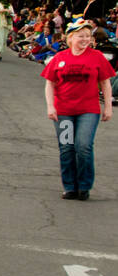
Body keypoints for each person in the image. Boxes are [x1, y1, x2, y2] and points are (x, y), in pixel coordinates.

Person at [44, 20, 114, 201]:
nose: (85, 40)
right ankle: (70, 187)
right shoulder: (60, 58)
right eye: (81, 36)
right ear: (70, 37)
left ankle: (84, 186)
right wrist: (51, 106)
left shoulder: (96, 56)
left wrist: (107, 107)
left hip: (88, 110)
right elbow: (50, 84)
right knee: (67, 148)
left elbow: (105, 83)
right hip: (64, 110)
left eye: (88, 36)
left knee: (83, 146)